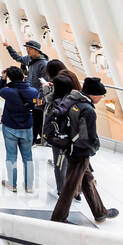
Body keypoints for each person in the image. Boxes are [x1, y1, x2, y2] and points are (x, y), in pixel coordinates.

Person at [50, 78, 120, 224]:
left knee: (87, 181)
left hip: (69, 146)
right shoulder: (87, 110)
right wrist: (92, 149)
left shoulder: (72, 99)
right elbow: (88, 136)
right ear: (94, 94)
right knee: (70, 185)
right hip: (79, 152)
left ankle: (100, 211)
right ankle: (59, 217)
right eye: (101, 95)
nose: (101, 98)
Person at [42, 58, 82, 192]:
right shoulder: (80, 101)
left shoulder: (58, 104)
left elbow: (49, 109)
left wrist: (47, 90)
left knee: (60, 164)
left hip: (60, 137)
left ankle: (62, 190)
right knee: (75, 163)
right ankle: (76, 190)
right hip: (76, 137)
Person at [0, 66, 39, 192]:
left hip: (10, 126)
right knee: (28, 157)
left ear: (10, 78)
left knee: (11, 156)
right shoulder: (33, 91)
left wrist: (3, 79)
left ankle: (13, 185)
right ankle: (29, 186)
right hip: (27, 126)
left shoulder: (8, 91)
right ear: (23, 76)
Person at [6, 39, 50, 145]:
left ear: (36, 50)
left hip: (38, 96)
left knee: (38, 117)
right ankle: (35, 139)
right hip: (31, 94)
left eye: (29, 48)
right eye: (27, 48)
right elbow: (18, 58)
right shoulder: (30, 59)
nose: (27, 50)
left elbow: (44, 82)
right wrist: (9, 47)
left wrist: (40, 97)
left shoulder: (43, 64)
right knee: (34, 116)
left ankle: (35, 139)